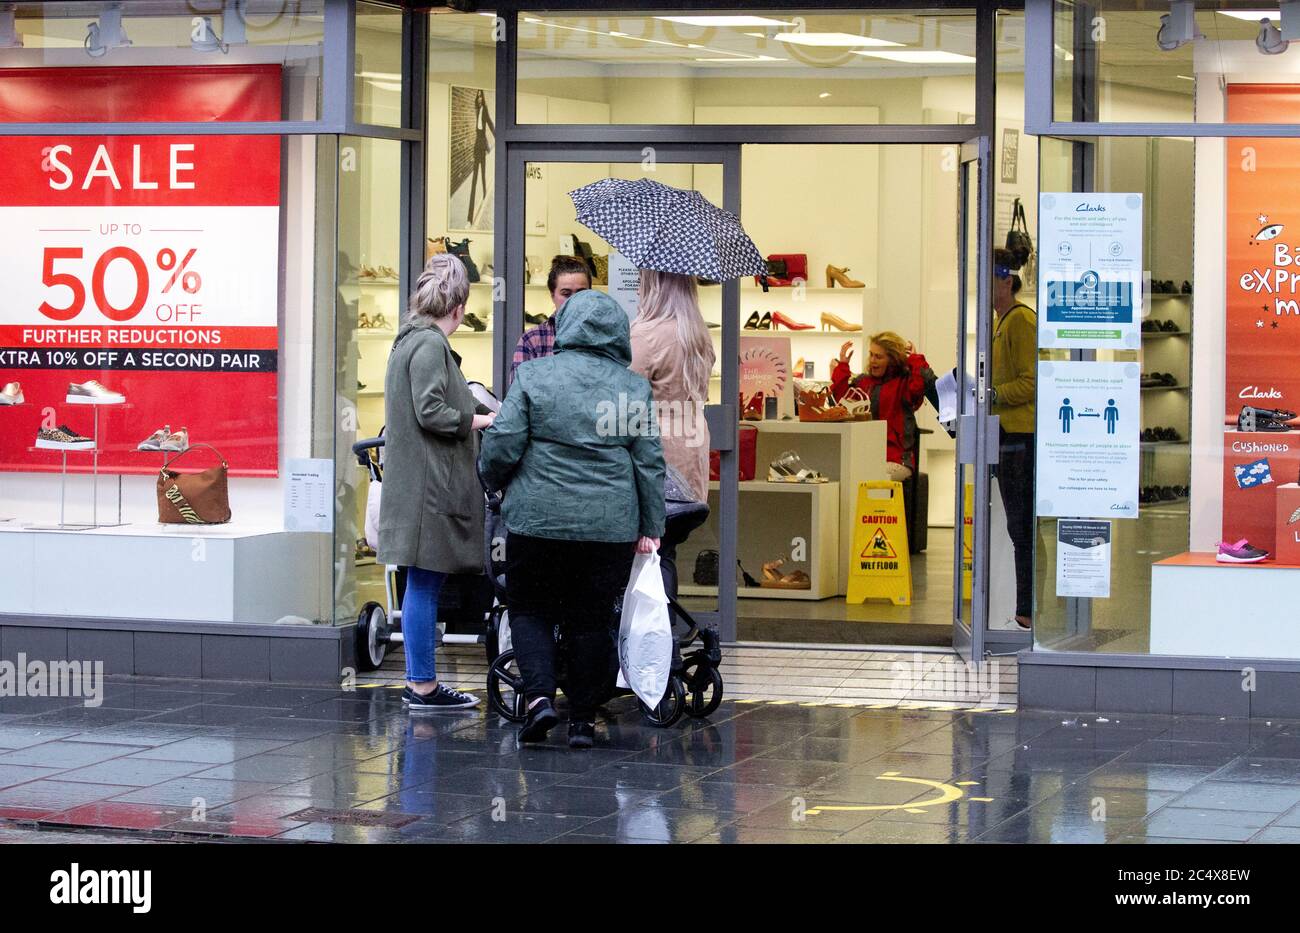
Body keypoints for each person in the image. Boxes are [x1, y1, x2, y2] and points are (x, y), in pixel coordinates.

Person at [480, 289, 666, 749]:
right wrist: (652, 526)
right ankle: (582, 719)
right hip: (608, 527)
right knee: (592, 618)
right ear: (617, 334)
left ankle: (540, 699)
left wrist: (492, 478)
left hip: (536, 522)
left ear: (566, 326)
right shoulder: (633, 388)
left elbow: (502, 443)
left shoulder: (533, 376)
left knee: (531, 610)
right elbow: (649, 463)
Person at [376, 253, 494, 712]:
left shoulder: (409, 341)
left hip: (418, 486)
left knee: (420, 585)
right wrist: (479, 419)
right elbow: (430, 411)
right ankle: (422, 685)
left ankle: (421, 681)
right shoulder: (428, 346)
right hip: (428, 490)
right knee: (424, 586)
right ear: (459, 307)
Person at [629, 269, 715, 601]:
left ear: (654, 283)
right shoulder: (697, 335)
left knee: (648, 554)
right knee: (665, 553)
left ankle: (657, 643)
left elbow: (625, 396)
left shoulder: (647, 335)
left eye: (642, 277)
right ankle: (665, 639)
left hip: (656, 462)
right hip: (690, 460)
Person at [990, 246, 1037, 630]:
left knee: (1022, 527)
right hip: (1007, 433)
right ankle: (1028, 605)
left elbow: (1031, 381)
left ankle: (1029, 607)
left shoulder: (1020, 321)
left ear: (1006, 280)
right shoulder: (1000, 321)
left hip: (1020, 436)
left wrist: (994, 394)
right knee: (1017, 527)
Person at [829, 331, 933, 482]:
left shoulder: (903, 384)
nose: (872, 361)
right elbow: (842, 400)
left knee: (869, 478)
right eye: (871, 355)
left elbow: (919, 385)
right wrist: (843, 366)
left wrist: (914, 359)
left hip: (897, 460)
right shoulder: (863, 382)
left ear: (892, 360)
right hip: (865, 456)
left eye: (878, 357)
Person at [509, 255, 592, 378]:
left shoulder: (606, 336)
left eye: (581, 293)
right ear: (552, 296)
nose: (574, 300)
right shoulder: (532, 339)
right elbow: (518, 392)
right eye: (566, 294)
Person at [467, 89, 495, 226]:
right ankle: (469, 217)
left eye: (480, 96)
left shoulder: (484, 110)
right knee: (474, 179)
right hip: (477, 145)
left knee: (483, 174)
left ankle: (484, 195)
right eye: (477, 97)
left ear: (483, 98)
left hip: (482, 145)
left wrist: (499, 138)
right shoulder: (477, 110)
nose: (479, 99)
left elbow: (490, 124)